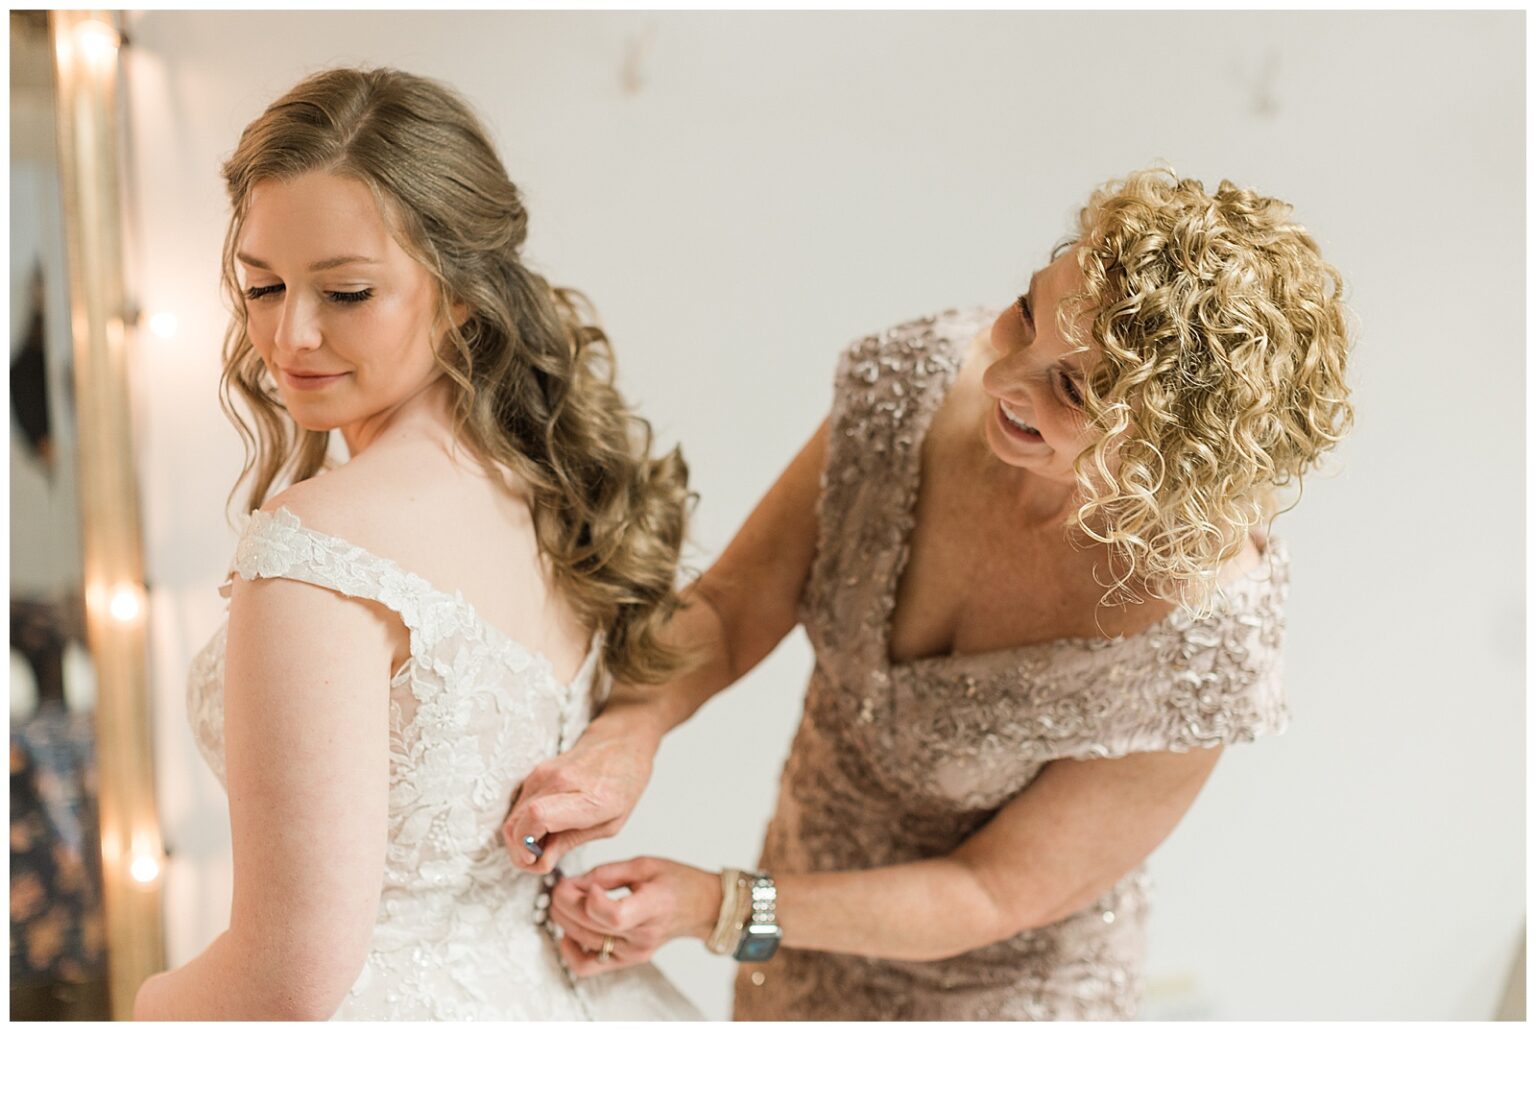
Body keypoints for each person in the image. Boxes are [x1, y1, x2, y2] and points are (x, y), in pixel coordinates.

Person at [504, 168, 1354, 1020]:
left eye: (1072, 387)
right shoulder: (915, 386)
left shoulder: (1204, 642)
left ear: (1173, 451)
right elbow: (731, 608)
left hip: (1004, 997)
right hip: (797, 941)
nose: (1003, 377)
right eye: (1027, 314)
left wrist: (721, 907)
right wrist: (629, 732)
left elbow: (991, 891)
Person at [134, 66, 700, 1020]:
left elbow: (286, 982)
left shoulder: (317, 547)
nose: (290, 335)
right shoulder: (545, 480)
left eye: (347, 292)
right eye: (263, 285)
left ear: (464, 292)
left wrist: (137, 1018)